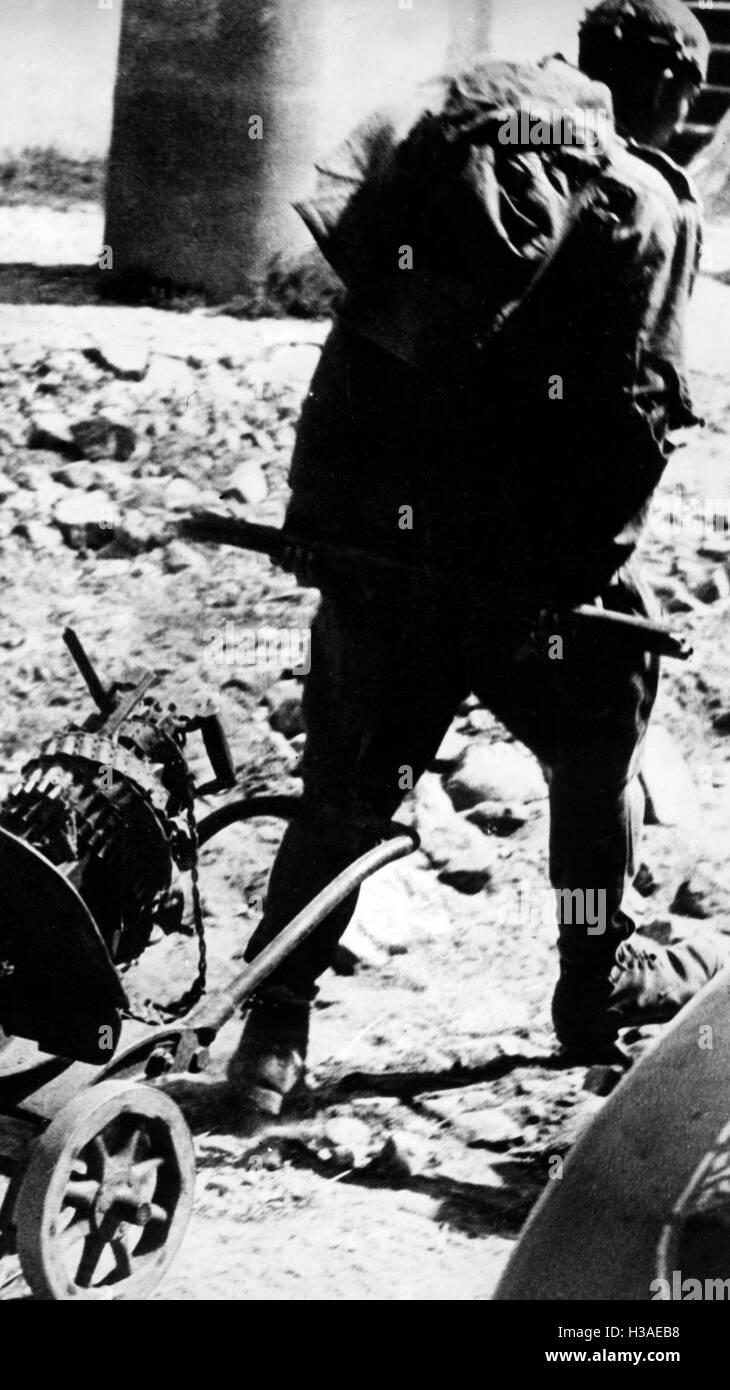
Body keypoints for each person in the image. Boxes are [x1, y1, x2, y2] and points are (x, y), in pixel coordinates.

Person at [227, 0, 728, 1125]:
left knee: (347, 796)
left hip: (383, 548)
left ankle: (272, 1027)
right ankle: (591, 974)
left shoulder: (469, 155)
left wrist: (336, 526)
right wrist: (583, 575)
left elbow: (355, 349)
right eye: (691, 90)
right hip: (529, 582)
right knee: (597, 755)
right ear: (657, 81)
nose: (692, 114)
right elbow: (635, 409)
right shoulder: (642, 196)